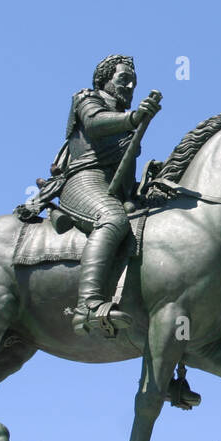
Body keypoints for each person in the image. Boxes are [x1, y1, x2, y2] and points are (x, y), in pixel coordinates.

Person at [52, 54, 160, 336]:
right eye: (124, 79)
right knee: (112, 219)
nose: (130, 86)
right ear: (105, 79)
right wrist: (133, 118)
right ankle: (87, 305)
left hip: (116, 189)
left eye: (133, 82)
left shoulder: (124, 120)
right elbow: (94, 123)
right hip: (84, 182)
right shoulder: (87, 98)